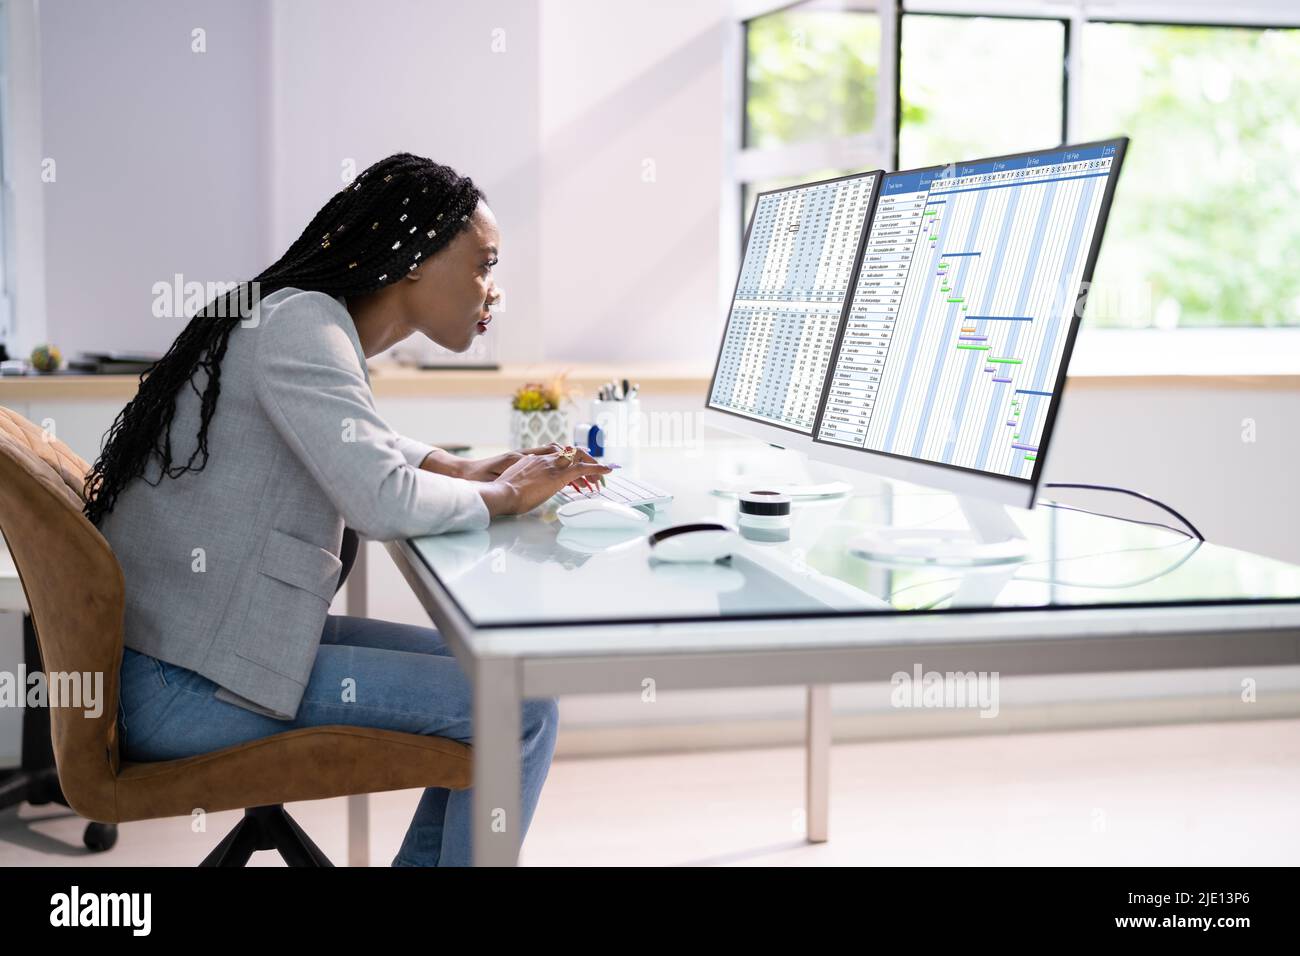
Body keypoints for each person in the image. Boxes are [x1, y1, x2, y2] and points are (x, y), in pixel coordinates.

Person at [84, 152, 612, 866]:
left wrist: (451, 466)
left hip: (199, 654)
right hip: (190, 685)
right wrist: (505, 494)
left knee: (508, 681)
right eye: (485, 264)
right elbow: (377, 498)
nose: (494, 292)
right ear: (417, 258)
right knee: (515, 710)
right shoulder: (304, 325)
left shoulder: (298, 316)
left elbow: (347, 436)